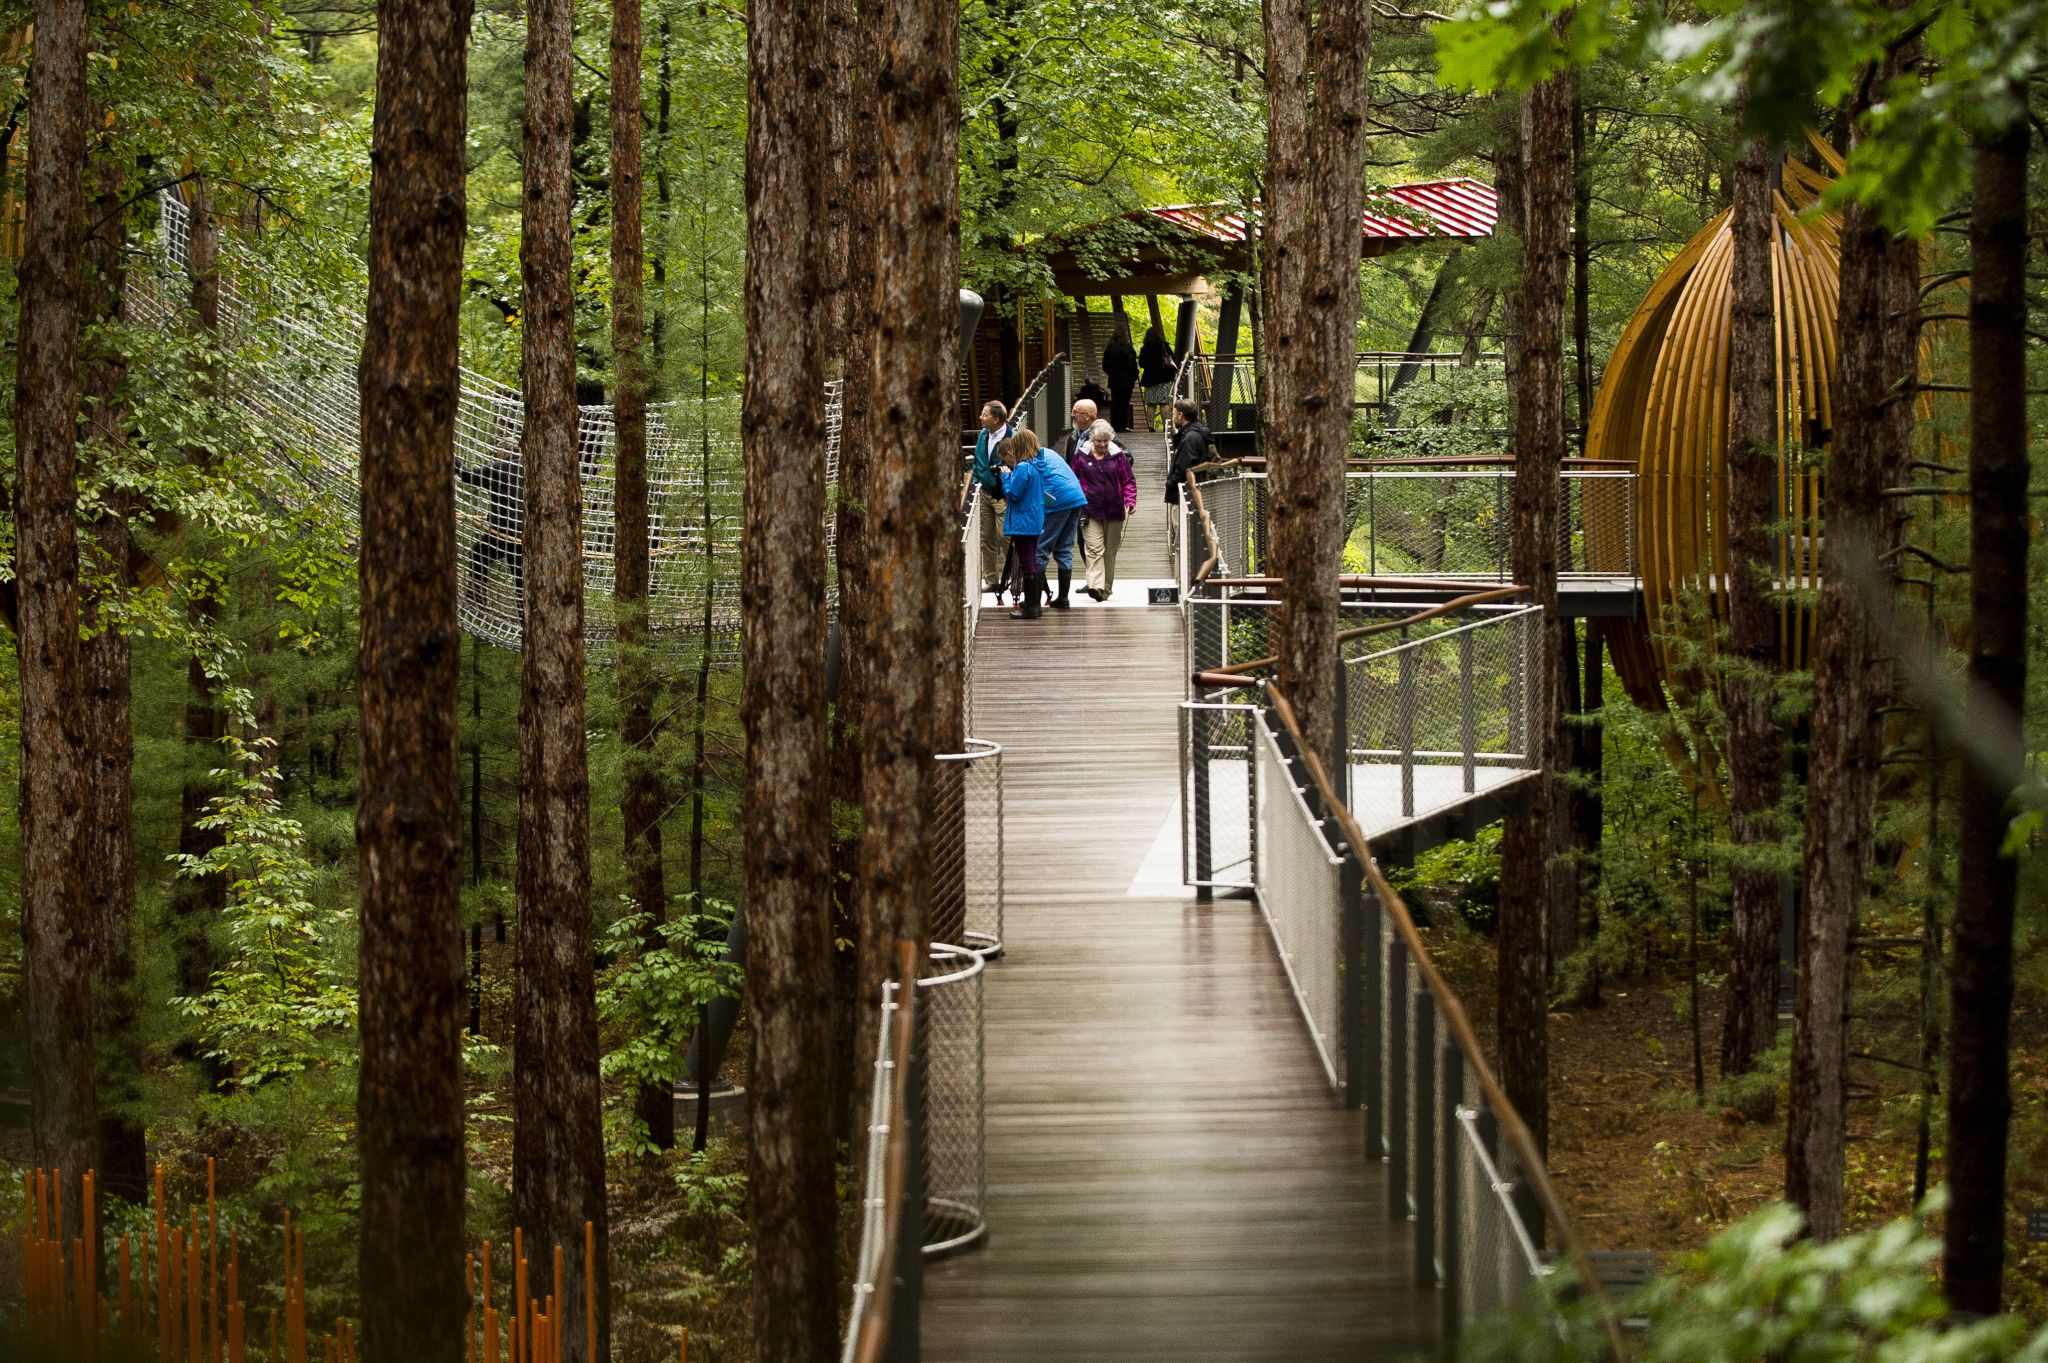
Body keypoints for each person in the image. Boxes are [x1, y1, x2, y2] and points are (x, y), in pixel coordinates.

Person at [1071, 419, 1137, 600]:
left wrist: (1130, 500)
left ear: (1110, 441)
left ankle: (1105, 589)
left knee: (1109, 551)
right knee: (1093, 548)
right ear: (1092, 440)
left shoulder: (1118, 456)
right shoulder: (1081, 456)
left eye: (1105, 441)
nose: (1101, 445)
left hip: (1115, 509)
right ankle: (1095, 586)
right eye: (1098, 441)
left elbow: (1128, 480)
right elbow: (1072, 477)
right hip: (1089, 508)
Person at [1021, 431, 1088, 609]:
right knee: (1065, 548)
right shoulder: (1048, 452)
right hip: (1076, 497)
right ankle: (1063, 598)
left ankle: (1033, 601)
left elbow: (1030, 490)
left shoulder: (1030, 462)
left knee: (1040, 548)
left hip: (1058, 502)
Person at [457, 449, 524, 603]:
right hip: (523, 535)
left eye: (495, 453)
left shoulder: (498, 468)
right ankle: (526, 620)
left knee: (479, 553)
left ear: (502, 453)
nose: (493, 457)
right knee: (521, 581)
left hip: (503, 533)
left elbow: (467, 476)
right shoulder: (529, 467)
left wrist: (453, 459)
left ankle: (476, 602)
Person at [997, 432, 1045, 619]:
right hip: (1033, 518)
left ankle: (1031, 608)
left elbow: (1014, 494)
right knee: (1031, 559)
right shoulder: (1036, 465)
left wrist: (1005, 478)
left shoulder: (1022, 467)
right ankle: (1034, 603)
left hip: (1023, 521)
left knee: (1027, 562)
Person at [971, 399, 1014, 601]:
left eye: (985, 414)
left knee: (1004, 534)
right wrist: (979, 479)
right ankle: (991, 580)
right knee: (986, 537)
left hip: (1002, 493)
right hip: (984, 492)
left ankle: (1013, 576)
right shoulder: (982, 435)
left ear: (996, 418)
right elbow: (979, 459)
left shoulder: (1010, 436)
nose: (981, 417)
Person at [1165, 397, 1214, 505]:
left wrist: (1170, 482)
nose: (1173, 417)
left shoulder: (1190, 437)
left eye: (1174, 414)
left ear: (1180, 415)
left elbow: (1184, 465)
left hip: (1185, 493)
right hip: (1193, 488)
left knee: (1180, 521)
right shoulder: (1195, 434)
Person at [1138, 325, 1177, 432]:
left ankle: (1151, 425)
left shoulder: (1144, 349)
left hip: (1150, 379)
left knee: (1151, 404)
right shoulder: (1164, 346)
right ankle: (1166, 426)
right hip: (1165, 378)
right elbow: (1172, 359)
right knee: (1164, 403)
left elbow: (1141, 363)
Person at [1103, 330, 1140, 431]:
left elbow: (1105, 366)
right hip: (1127, 380)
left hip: (1114, 380)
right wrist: (1134, 375)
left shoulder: (1109, 350)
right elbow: (1132, 366)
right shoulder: (1128, 349)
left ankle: (1114, 425)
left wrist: (1112, 373)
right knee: (1124, 402)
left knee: (1115, 402)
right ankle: (1122, 425)